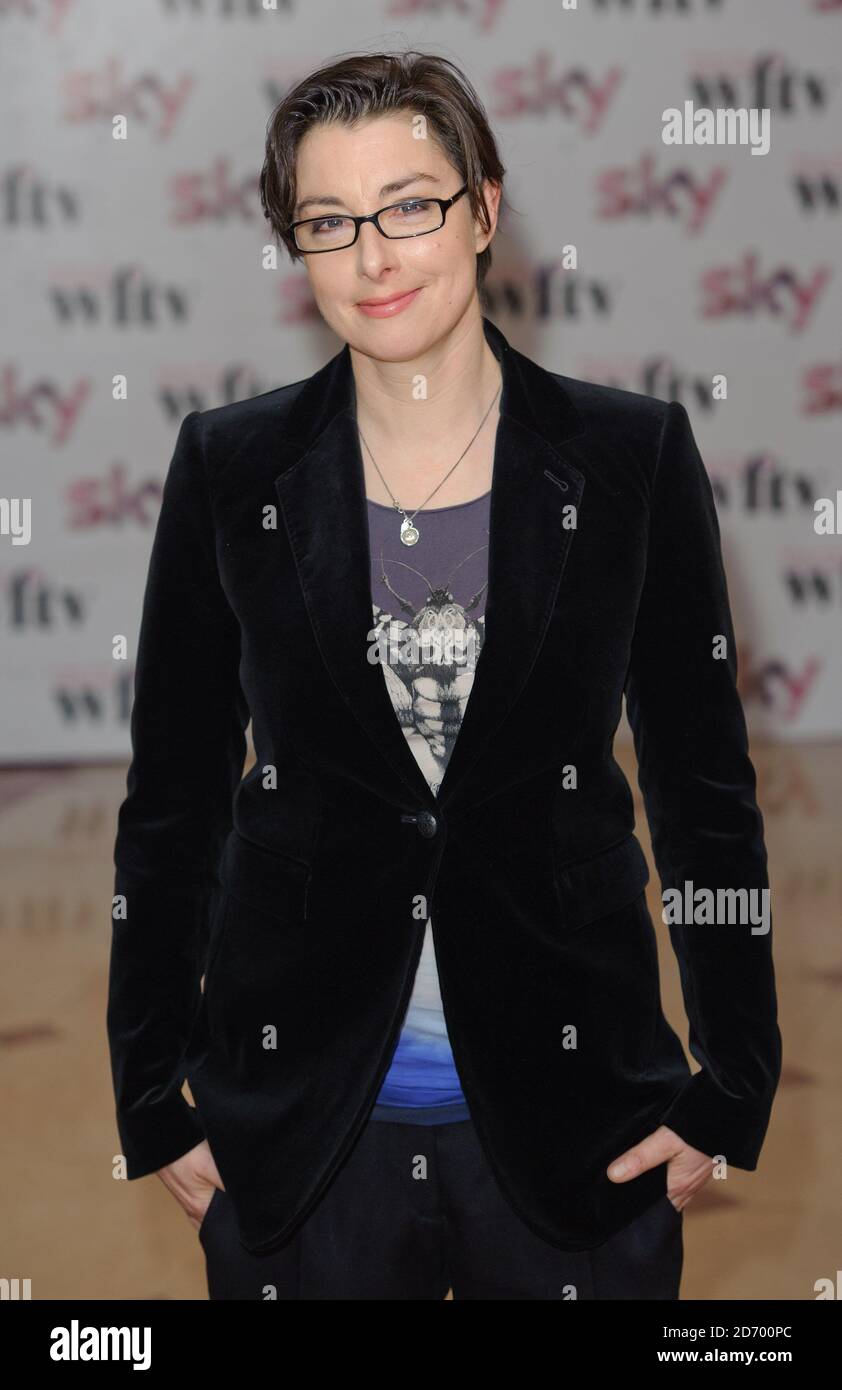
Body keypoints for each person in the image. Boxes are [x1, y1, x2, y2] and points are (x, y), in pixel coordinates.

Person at [106, 49, 782, 1300]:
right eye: (327, 221)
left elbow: (702, 796)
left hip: (577, 1127)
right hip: (307, 1135)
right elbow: (173, 804)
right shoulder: (230, 466)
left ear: (482, 209)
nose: (373, 255)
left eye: (409, 204)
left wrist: (733, 1080)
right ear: (294, 249)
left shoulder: (629, 457)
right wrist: (149, 1093)